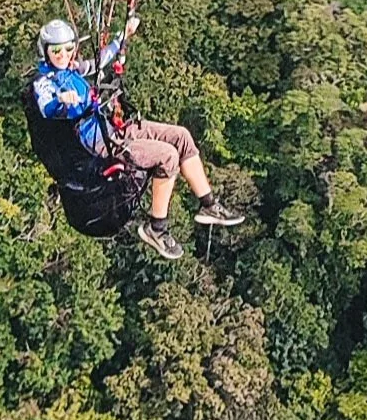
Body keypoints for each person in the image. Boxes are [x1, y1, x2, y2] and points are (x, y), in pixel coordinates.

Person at [32, 14, 244, 260]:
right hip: (100, 144)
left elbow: (101, 61)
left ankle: (209, 205)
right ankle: (157, 228)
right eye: (56, 50)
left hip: (112, 127)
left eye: (69, 48)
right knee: (167, 156)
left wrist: (124, 36)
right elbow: (45, 106)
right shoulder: (45, 82)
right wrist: (61, 100)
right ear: (46, 52)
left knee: (182, 137)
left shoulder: (73, 69)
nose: (64, 55)